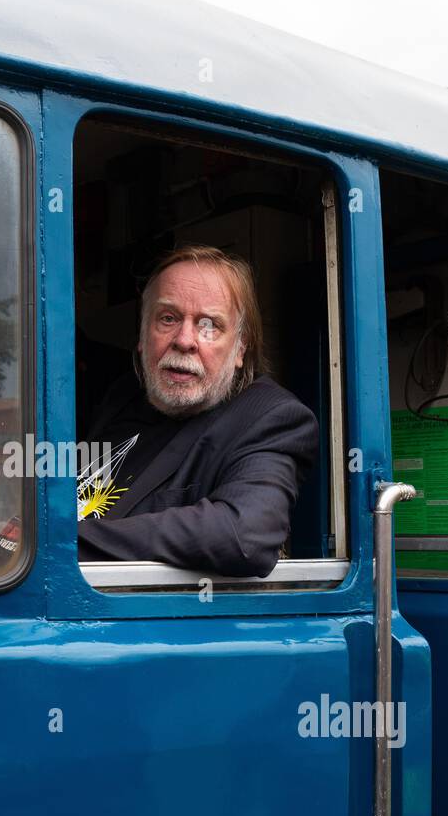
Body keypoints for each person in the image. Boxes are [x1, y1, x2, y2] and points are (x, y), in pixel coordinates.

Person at [77, 245, 319, 577]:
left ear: (240, 347)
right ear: (142, 336)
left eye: (209, 325)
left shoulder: (271, 417)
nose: (185, 340)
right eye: (168, 318)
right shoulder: (121, 397)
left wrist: (58, 542)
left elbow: (242, 534)